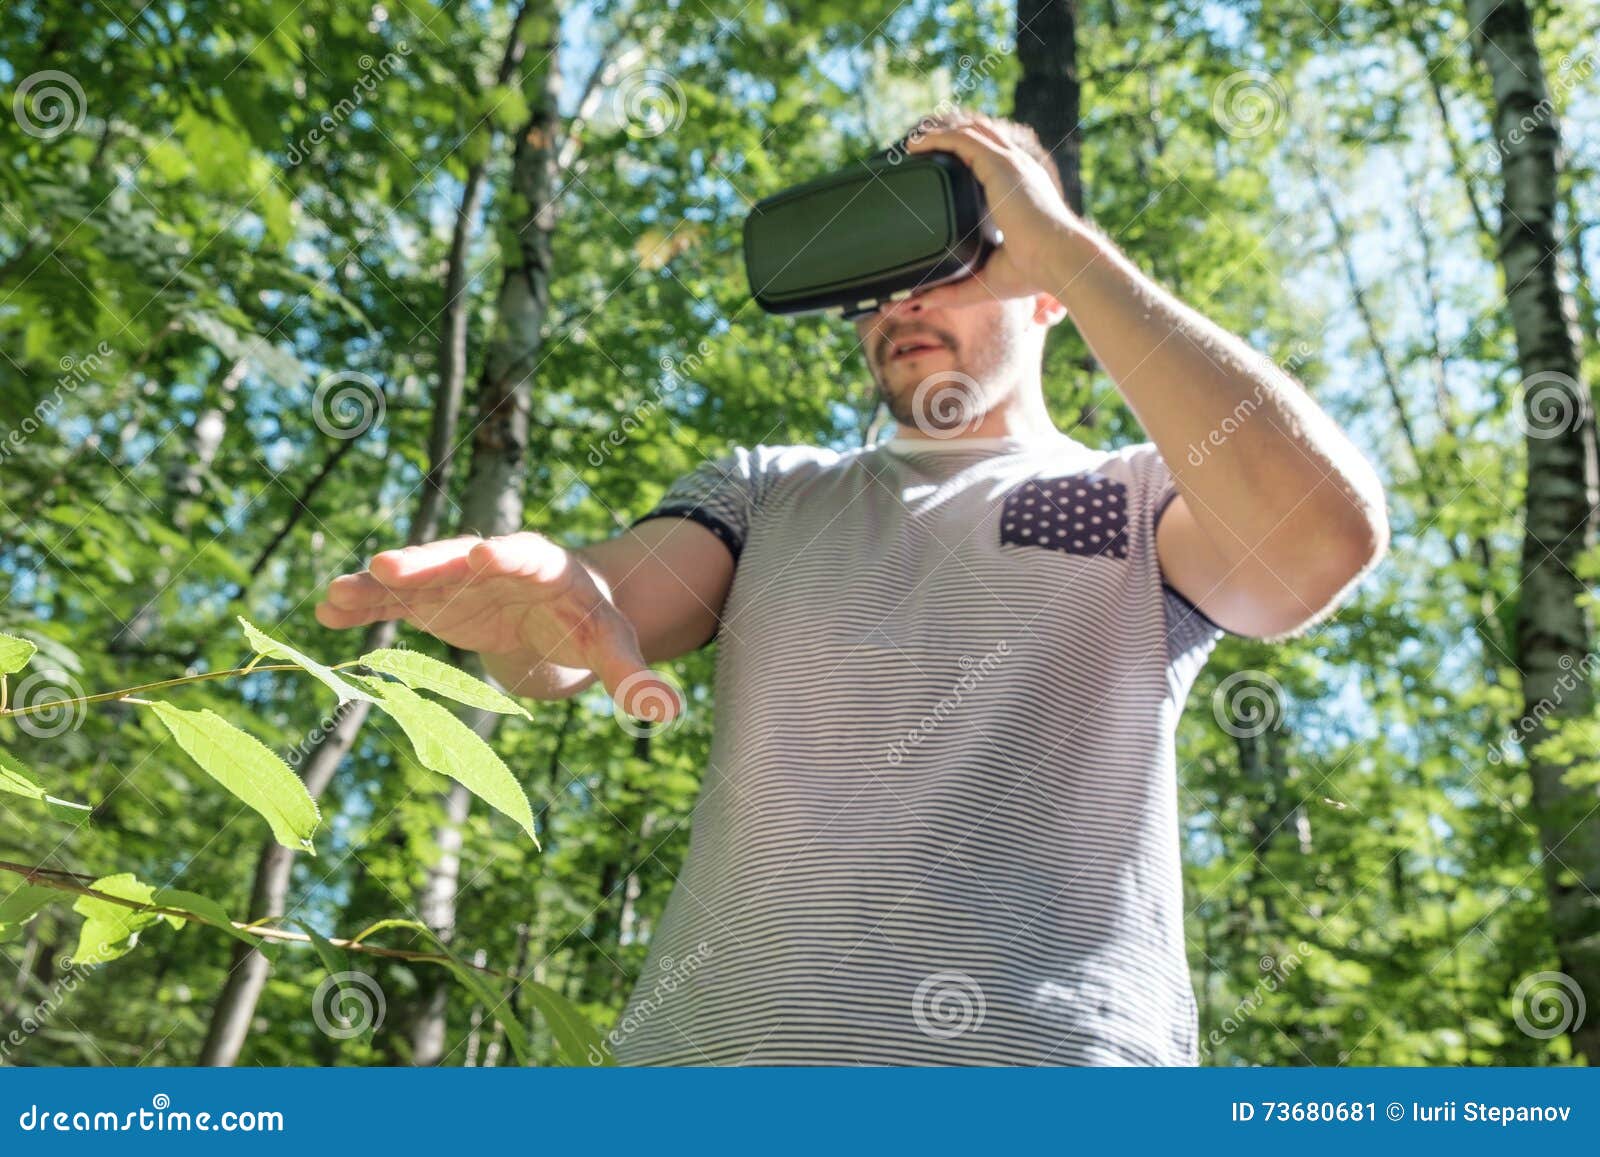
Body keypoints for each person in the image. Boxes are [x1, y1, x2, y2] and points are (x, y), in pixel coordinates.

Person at [315, 112, 1387, 1065]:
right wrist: (553, 595)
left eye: (948, 260)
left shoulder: (1142, 499)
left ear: (1043, 286)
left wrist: (1064, 238)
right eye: (874, 279)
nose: (901, 301)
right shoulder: (767, 490)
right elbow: (596, 614)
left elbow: (1319, 542)